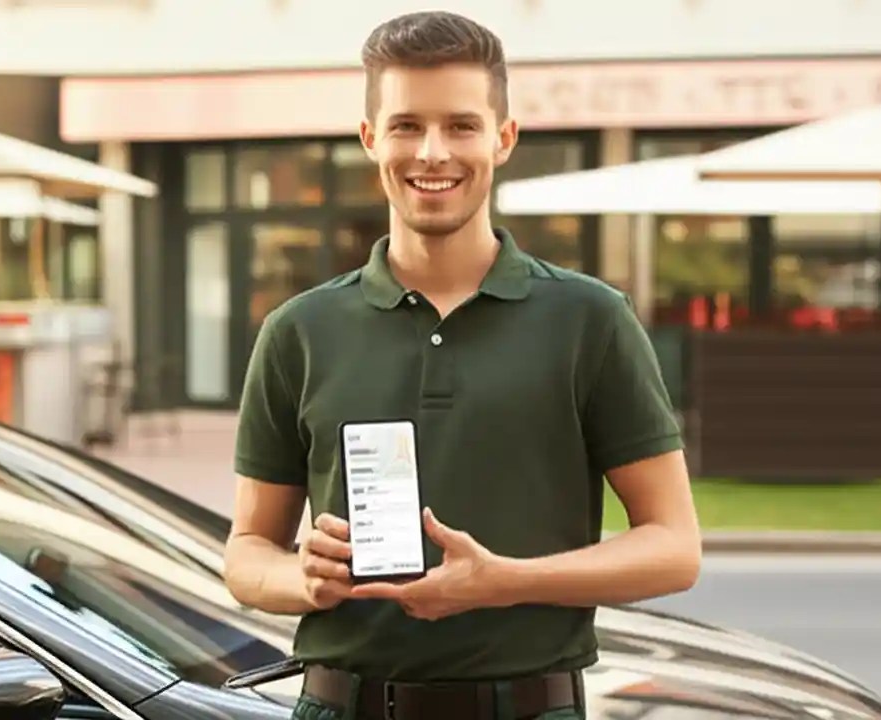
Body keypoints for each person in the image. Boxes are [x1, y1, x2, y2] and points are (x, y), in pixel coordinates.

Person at [223, 10, 701, 720]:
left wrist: (505, 581)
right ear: (370, 138)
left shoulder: (590, 320)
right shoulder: (299, 331)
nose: (433, 152)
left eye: (461, 126)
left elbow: (674, 549)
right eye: (407, 126)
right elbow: (246, 555)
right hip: (342, 705)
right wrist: (305, 578)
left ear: (503, 138)